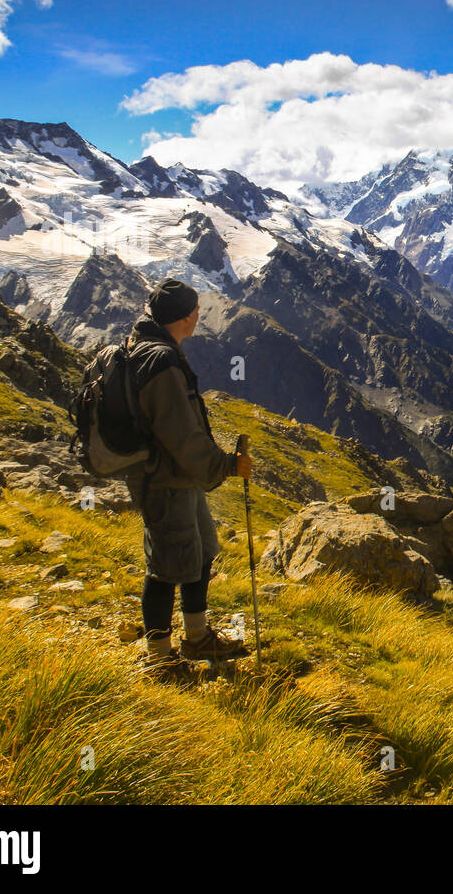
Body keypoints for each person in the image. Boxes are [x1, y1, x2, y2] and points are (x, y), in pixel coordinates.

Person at [124, 278, 253, 672]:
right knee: (164, 569)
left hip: (180, 479)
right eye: (197, 310)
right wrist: (228, 466)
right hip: (165, 480)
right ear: (185, 316)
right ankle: (160, 661)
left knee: (201, 554)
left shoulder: (150, 348)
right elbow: (183, 437)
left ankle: (197, 638)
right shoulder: (161, 363)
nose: (200, 316)